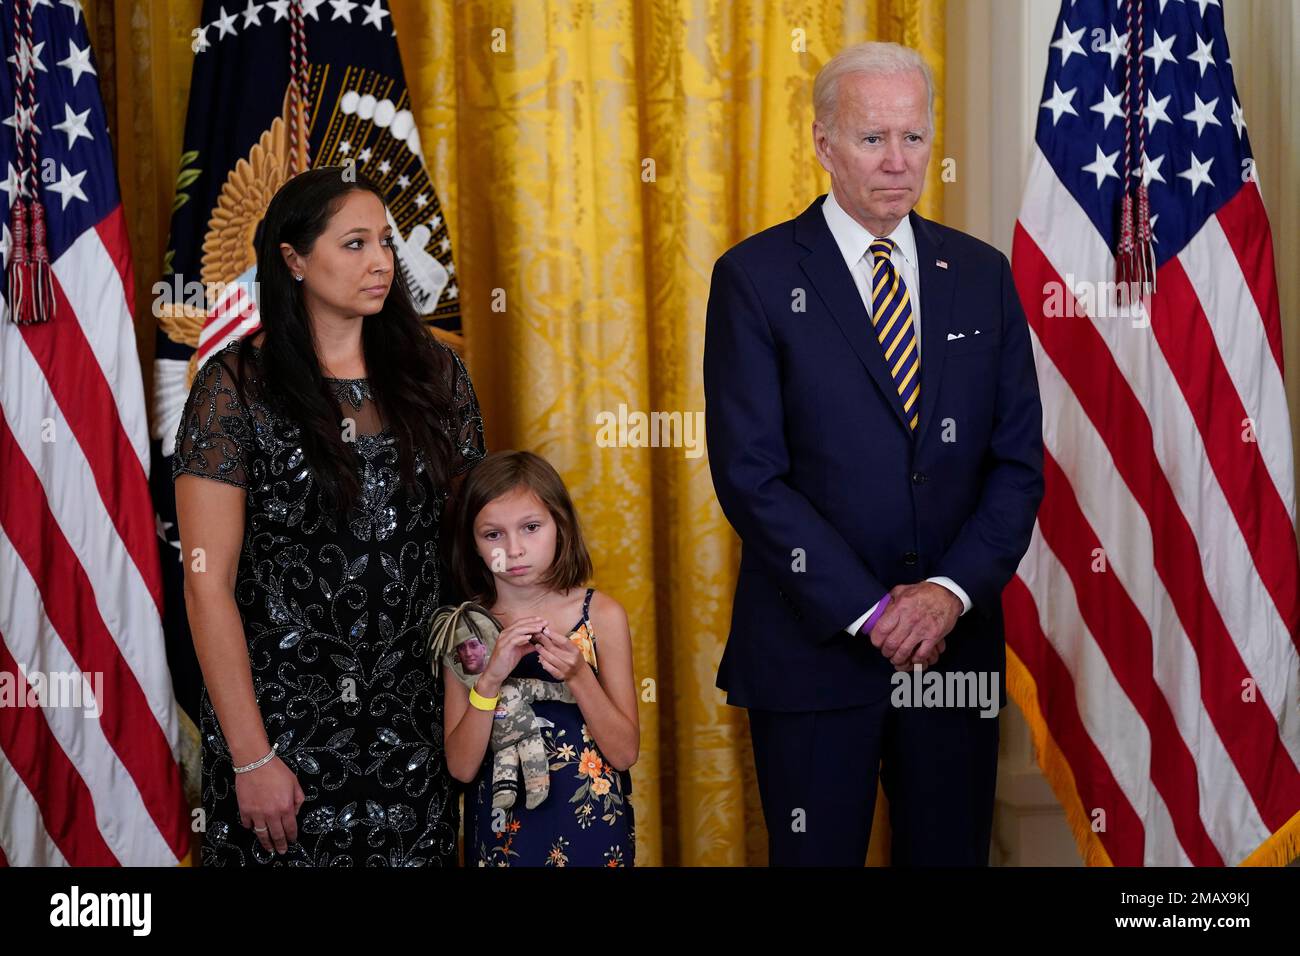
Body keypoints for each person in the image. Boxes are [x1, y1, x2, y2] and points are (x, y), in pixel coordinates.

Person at [703, 42, 1044, 866]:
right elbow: (751, 475)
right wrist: (874, 609)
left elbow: (1016, 463)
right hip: (813, 653)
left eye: (914, 138)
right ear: (822, 143)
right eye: (872, 139)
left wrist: (946, 594)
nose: (899, 162)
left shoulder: (982, 275)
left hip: (951, 651)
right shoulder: (754, 276)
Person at [173, 166, 485, 866]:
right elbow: (206, 586)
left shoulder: (439, 378)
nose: (380, 261)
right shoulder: (234, 391)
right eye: (353, 244)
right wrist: (252, 759)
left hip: (417, 738)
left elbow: (470, 563)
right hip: (281, 741)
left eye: (385, 242)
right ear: (293, 259)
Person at [444, 451, 638, 866]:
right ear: (473, 544)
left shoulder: (601, 616)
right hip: (502, 837)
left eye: (531, 528)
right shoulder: (467, 629)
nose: (514, 550)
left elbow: (623, 754)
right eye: (492, 535)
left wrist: (579, 676)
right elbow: (461, 767)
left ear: (560, 526)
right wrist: (490, 679)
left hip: (592, 828)